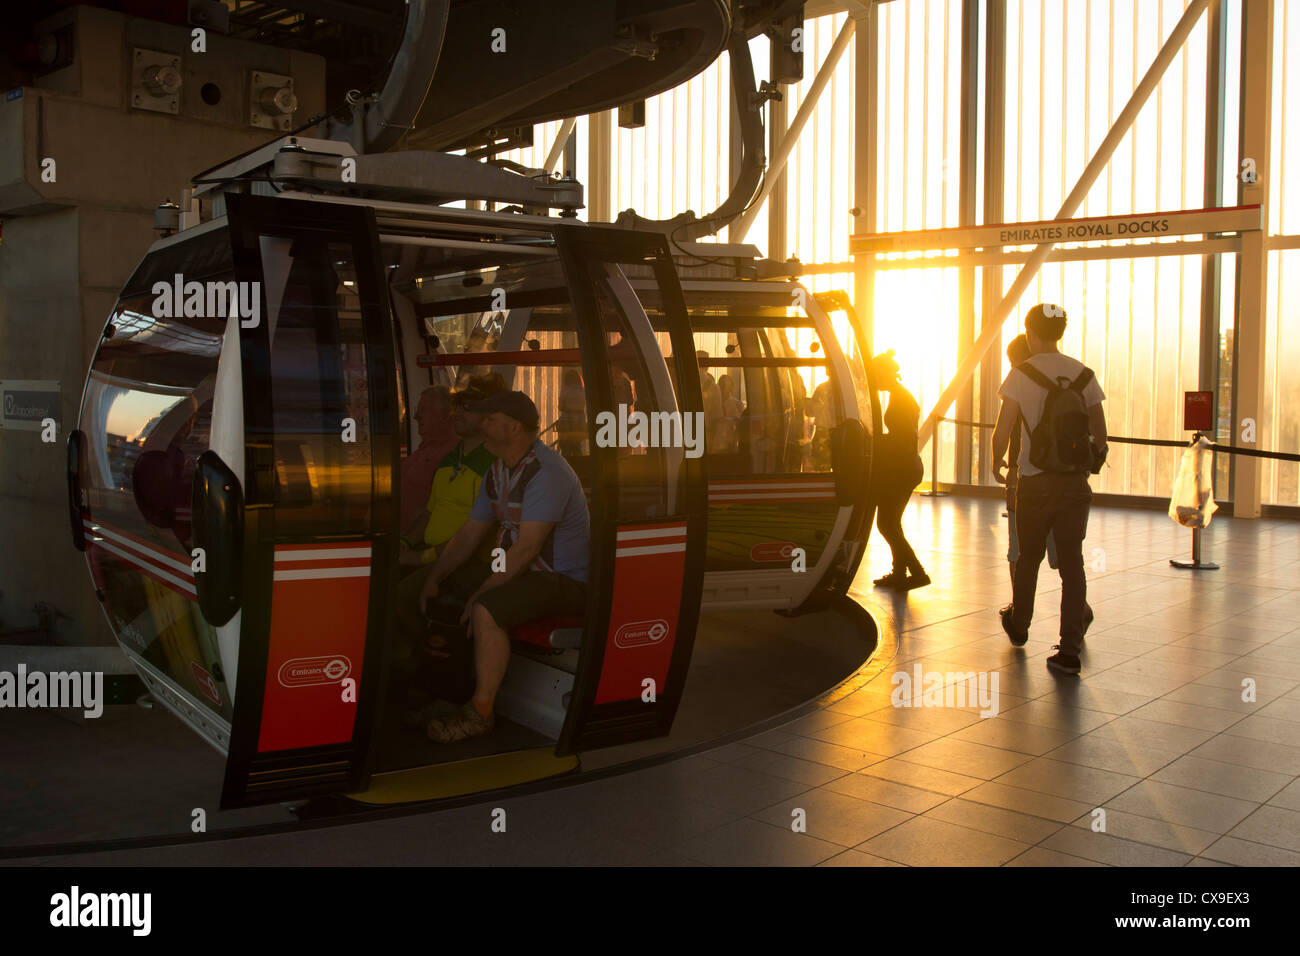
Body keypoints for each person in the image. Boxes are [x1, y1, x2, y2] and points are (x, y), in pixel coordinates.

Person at [404, 391, 591, 743]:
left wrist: (481, 593)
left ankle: (480, 713)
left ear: (514, 427)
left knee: (487, 608)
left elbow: (526, 549)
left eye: (490, 420)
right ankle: (449, 694)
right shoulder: (498, 471)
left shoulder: (547, 473)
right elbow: (467, 536)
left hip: (562, 580)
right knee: (448, 589)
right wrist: (434, 578)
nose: (481, 426)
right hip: (528, 574)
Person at [992, 304, 1107, 676]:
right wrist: (1083, 469)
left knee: (1028, 557)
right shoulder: (1083, 374)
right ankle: (1069, 650)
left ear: (1030, 332)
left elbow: (1003, 428)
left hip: (1035, 484)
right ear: (1060, 332)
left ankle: (1020, 623)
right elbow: (1101, 437)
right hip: (1074, 487)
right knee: (1073, 564)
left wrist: (998, 461)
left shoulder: (1020, 374)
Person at [399, 375, 506, 568]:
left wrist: (420, 558)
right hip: (430, 552)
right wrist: (404, 543)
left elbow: (478, 536)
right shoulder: (449, 459)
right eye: (457, 406)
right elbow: (429, 513)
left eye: (469, 407)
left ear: (490, 416)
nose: (456, 413)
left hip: (464, 563)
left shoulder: (495, 466)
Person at [871, 352, 930, 590]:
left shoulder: (900, 401)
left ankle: (916, 572)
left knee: (887, 524)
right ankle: (900, 572)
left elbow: (902, 440)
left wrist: (877, 442)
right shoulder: (900, 396)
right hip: (907, 468)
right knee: (891, 523)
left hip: (902, 470)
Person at [1004, 335, 1060, 581]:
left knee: (1018, 550)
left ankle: (1018, 608)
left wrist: (1008, 471)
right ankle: (1080, 608)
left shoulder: (1018, 384)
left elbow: (1008, 433)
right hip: (1061, 477)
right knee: (1063, 553)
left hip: (1027, 477)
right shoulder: (1063, 380)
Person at [400, 386, 458, 536]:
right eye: (417, 410)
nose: (416, 416)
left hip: (417, 542)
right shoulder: (422, 451)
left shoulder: (453, 454)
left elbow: (442, 509)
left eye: (423, 411)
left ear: (446, 415)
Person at [556, 368, 588, 459]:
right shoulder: (583, 390)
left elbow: (560, 407)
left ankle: (566, 467)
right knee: (577, 446)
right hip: (579, 421)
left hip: (566, 421)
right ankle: (579, 468)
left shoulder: (565, 389)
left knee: (565, 448)